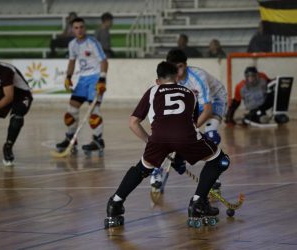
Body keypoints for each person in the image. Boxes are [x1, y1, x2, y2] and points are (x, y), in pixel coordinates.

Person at [104, 61, 230, 228]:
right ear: (177, 78)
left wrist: (150, 141)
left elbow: (133, 123)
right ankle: (198, 202)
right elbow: (187, 128)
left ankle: (115, 203)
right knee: (220, 160)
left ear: (158, 81)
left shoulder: (152, 91)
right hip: (186, 137)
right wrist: (180, 157)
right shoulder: (190, 93)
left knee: (142, 169)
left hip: (158, 139)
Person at [150, 49, 227, 192]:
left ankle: (212, 175)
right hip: (193, 103)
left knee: (211, 135)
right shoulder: (169, 79)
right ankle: (157, 170)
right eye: (174, 67)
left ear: (186, 65)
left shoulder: (198, 77)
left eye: (179, 66)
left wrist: (189, 129)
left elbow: (207, 109)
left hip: (215, 100)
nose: (177, 71)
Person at [56, 17, 108, 156]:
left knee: (94, 114)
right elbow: (72, 62)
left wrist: (102, 78)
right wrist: (68, 77)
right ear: (72, 30)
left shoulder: (92, 42)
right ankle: (70, 138)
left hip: (96, 79)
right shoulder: (72, 44)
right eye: (76, 28)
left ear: (85, 28)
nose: (79, 30)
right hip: (82, 80)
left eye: (81, 27)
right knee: (70, 113)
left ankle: (98, 140)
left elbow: (103, 60)